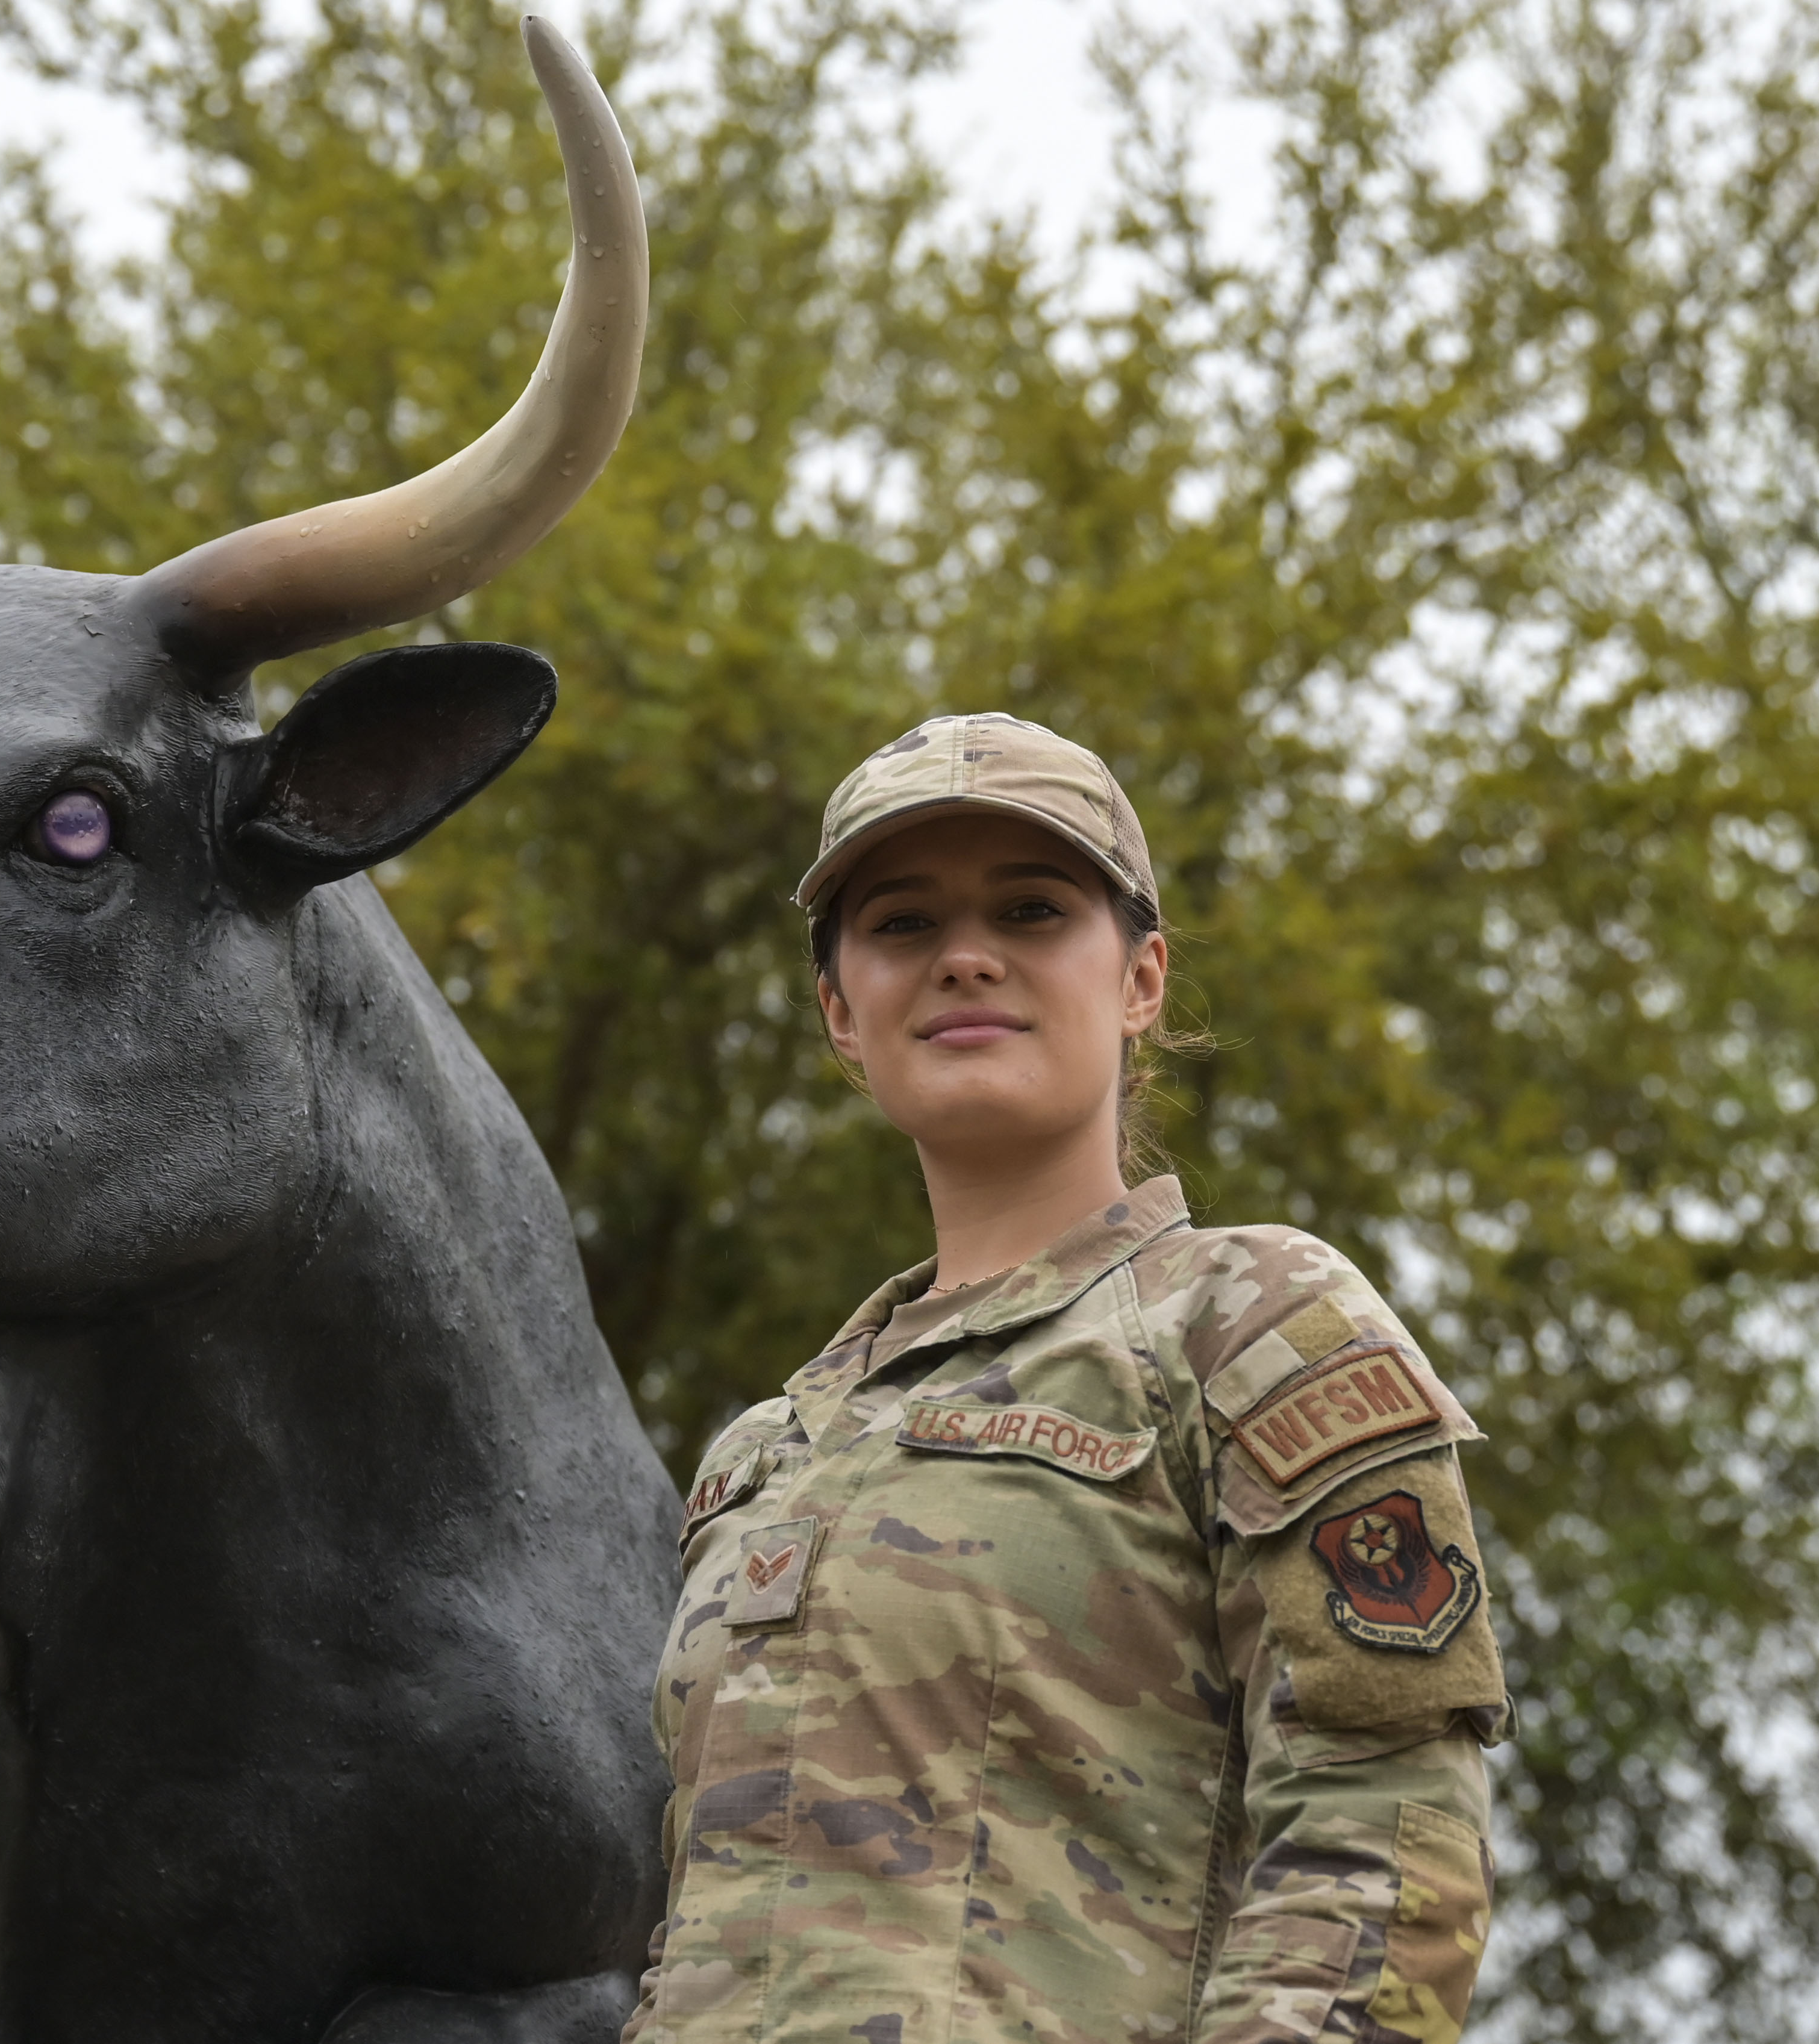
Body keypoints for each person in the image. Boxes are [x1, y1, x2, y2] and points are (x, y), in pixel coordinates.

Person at [623, 714, 1510, 2044]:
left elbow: (1386, 1828)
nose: (964, 956)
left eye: (1032, 910)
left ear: (1141, 977)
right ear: (839, 1012)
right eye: (902, 925)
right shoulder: (764, 1450)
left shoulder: (1244, 1320)